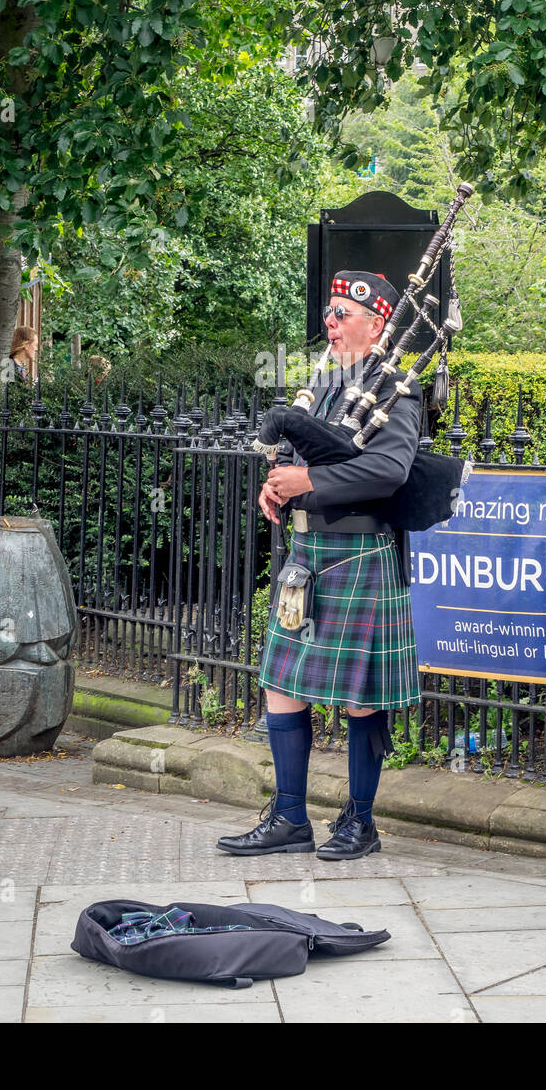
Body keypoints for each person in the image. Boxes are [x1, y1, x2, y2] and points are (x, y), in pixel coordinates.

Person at [217, 270, 421, 861]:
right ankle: (288, 818)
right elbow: (300, 452)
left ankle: (360, 823)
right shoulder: (329, 386)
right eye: (328, 314)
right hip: (307, 557)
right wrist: (279, 486)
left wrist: (312, 478)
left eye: (342, 315)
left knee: (361, 697)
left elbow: (389, 471)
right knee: (282, 686)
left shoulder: (394, 393)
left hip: (361, 554)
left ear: (377, 324)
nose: (328, 324)